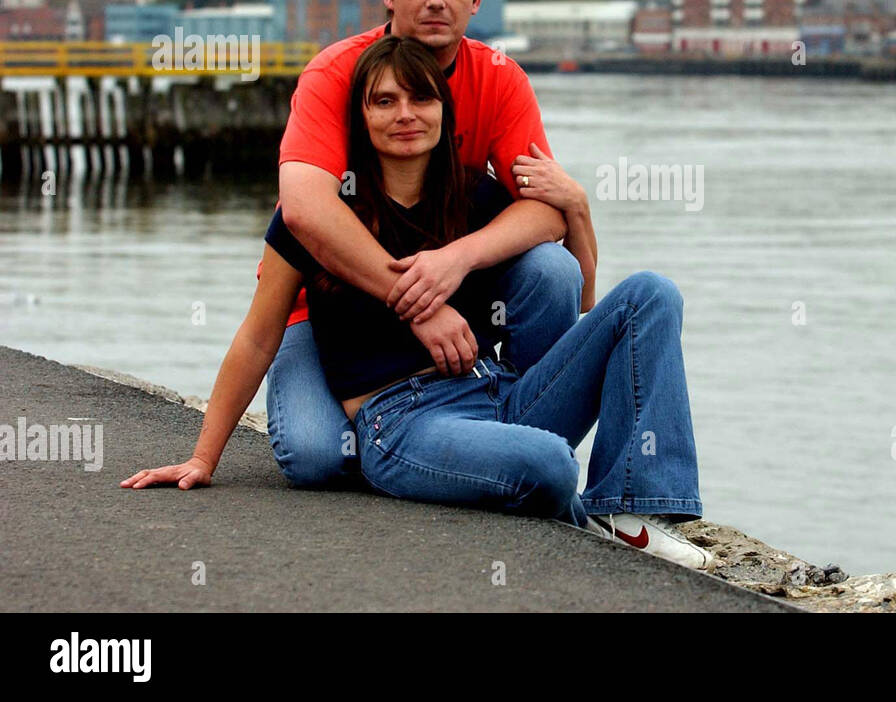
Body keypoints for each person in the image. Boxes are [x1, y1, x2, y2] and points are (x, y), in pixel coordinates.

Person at [121, 36, 716, 571]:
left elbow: (583, 300)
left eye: (421, 100)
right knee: (552, 463)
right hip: (400, 423)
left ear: (443, 112)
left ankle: (631, 510)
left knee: (649, 295)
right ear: (360, 117)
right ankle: (542, 496)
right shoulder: (323, 220)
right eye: (384, 102)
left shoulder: (473, 196)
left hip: (499, 392)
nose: (405, 114)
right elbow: (256, 338)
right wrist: (202, 458)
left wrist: (579, 213)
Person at [267, 0, 592, 490]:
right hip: (327, 308)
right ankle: (429, 443)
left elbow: (542, 210)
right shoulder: (335, 72)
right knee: (317, 457)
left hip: (448, 287)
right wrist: (416, 303)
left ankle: (519, 439)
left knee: (551, 270)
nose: (436, 0)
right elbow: (305, 210)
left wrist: (456, 260)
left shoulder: (499, 77)